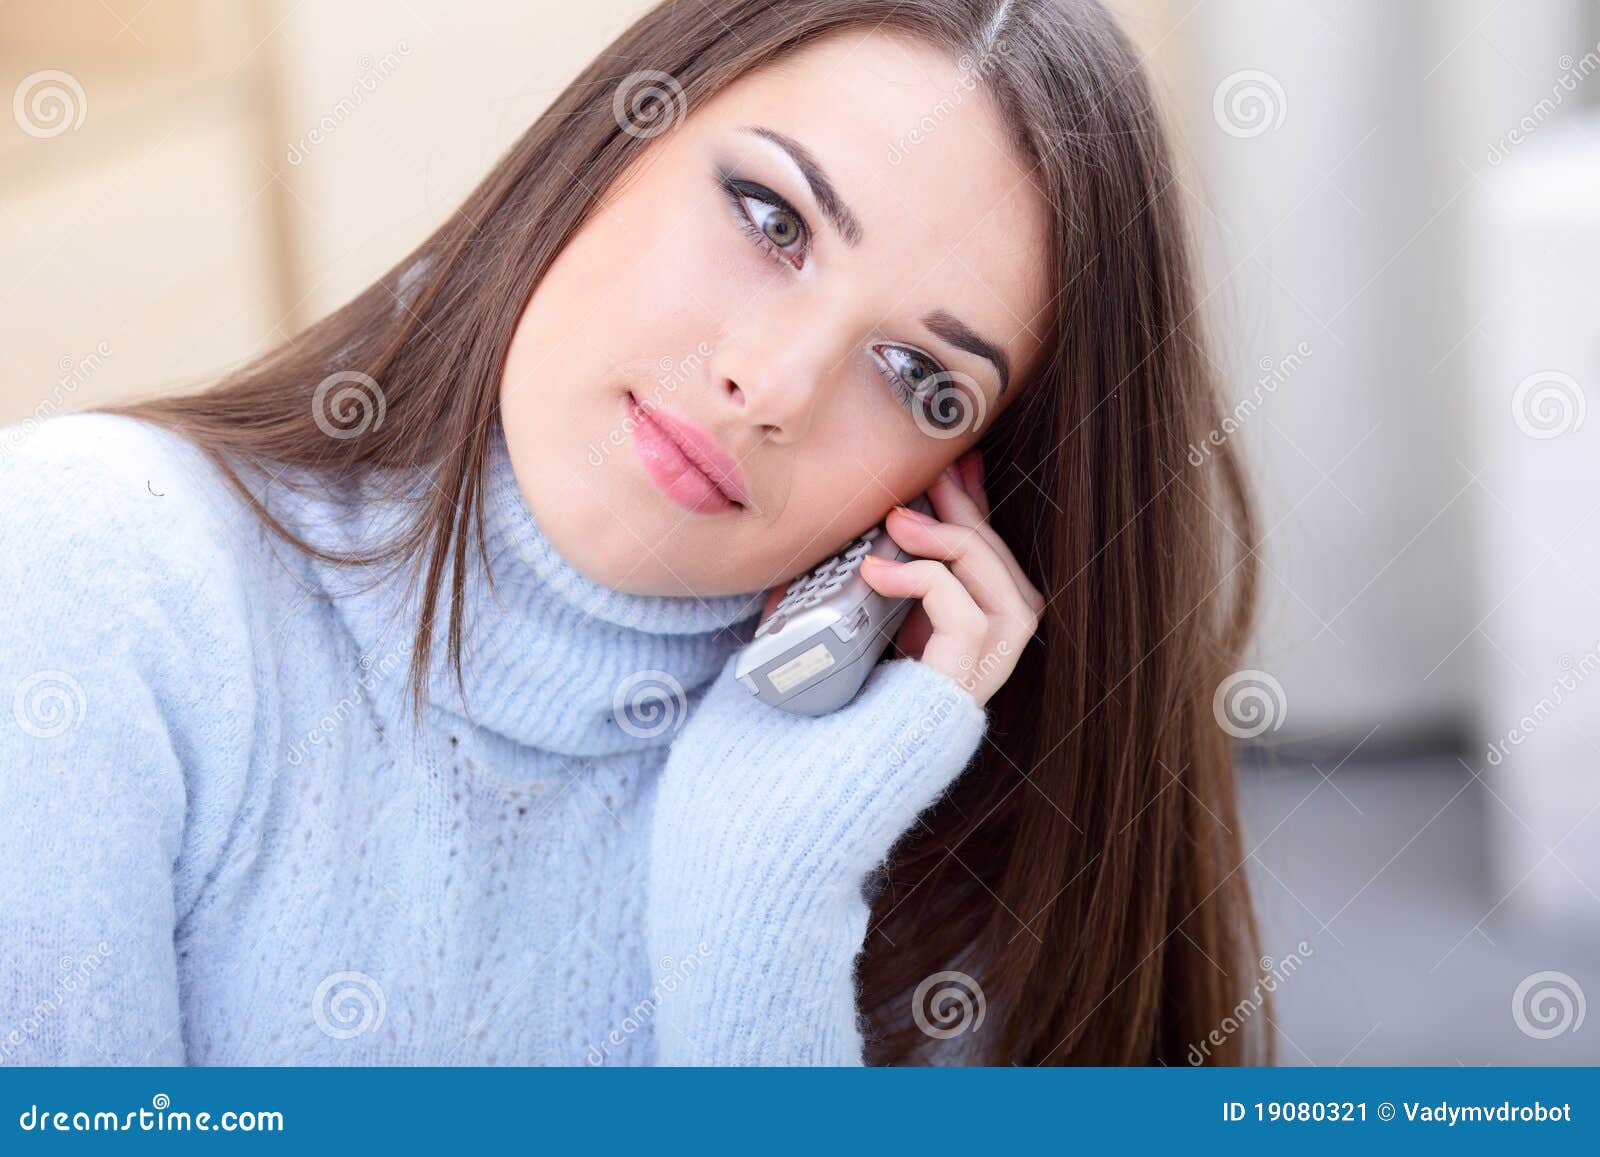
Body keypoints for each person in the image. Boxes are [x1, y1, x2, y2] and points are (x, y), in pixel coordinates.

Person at [0, 0, 1268, 1065]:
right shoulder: (96, 568)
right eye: (774, 220)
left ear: (960, 482)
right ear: (609, 145)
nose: (770, 388)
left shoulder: (909, 782)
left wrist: (758, 909)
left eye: (916, 376)